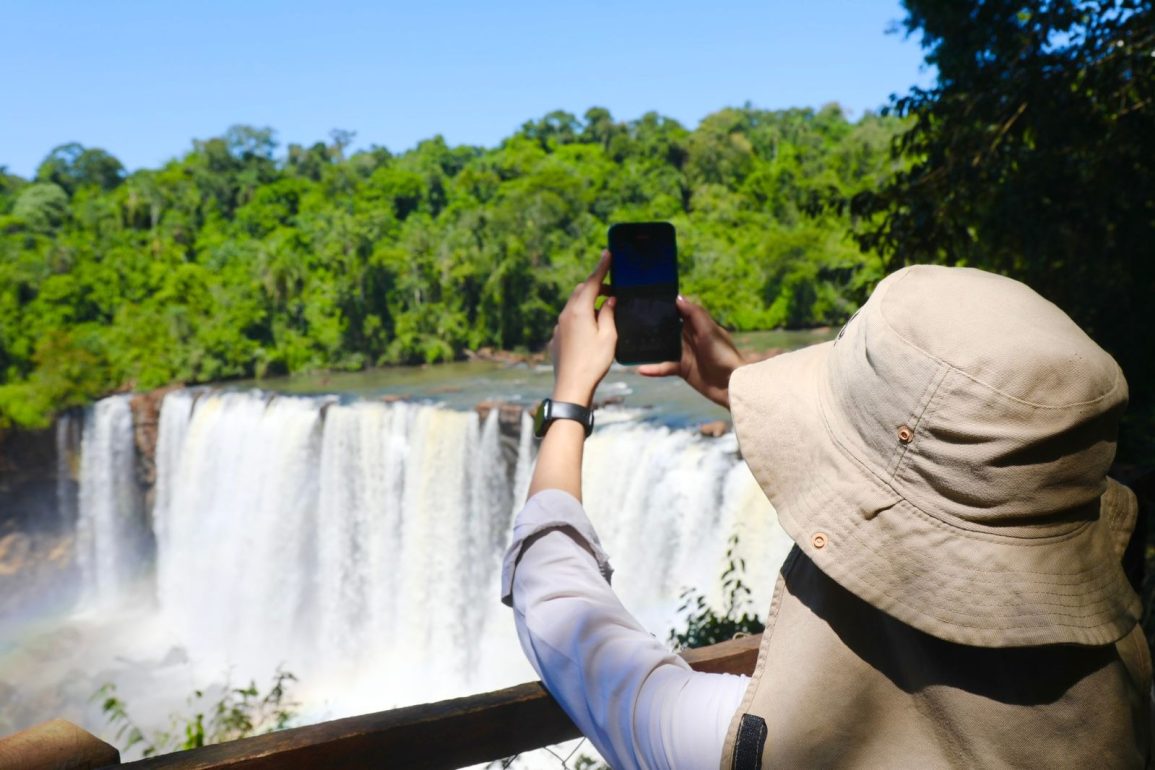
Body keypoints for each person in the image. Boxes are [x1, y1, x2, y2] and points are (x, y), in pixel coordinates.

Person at [501, 253, 1151, 769]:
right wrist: (740, 386)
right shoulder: (1120, 703)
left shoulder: (761, 743)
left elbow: (554, 595)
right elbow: (942, 476)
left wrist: (569, 399)